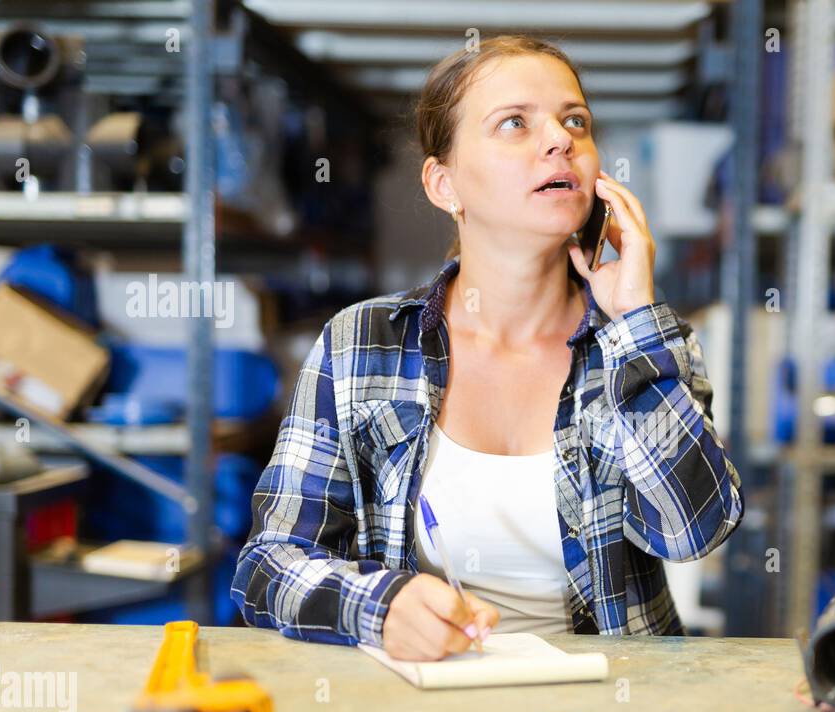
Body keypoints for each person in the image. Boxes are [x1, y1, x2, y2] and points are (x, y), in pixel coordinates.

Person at [232, 35, 743, 660]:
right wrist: (379, 607)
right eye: (514, 123)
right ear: (444, 185)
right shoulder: (362, 344)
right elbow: (267, 566)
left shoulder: (644, 343)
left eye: (574, 120)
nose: (560, 140)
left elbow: (695, 531)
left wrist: (634, 318)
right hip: (421, 705)